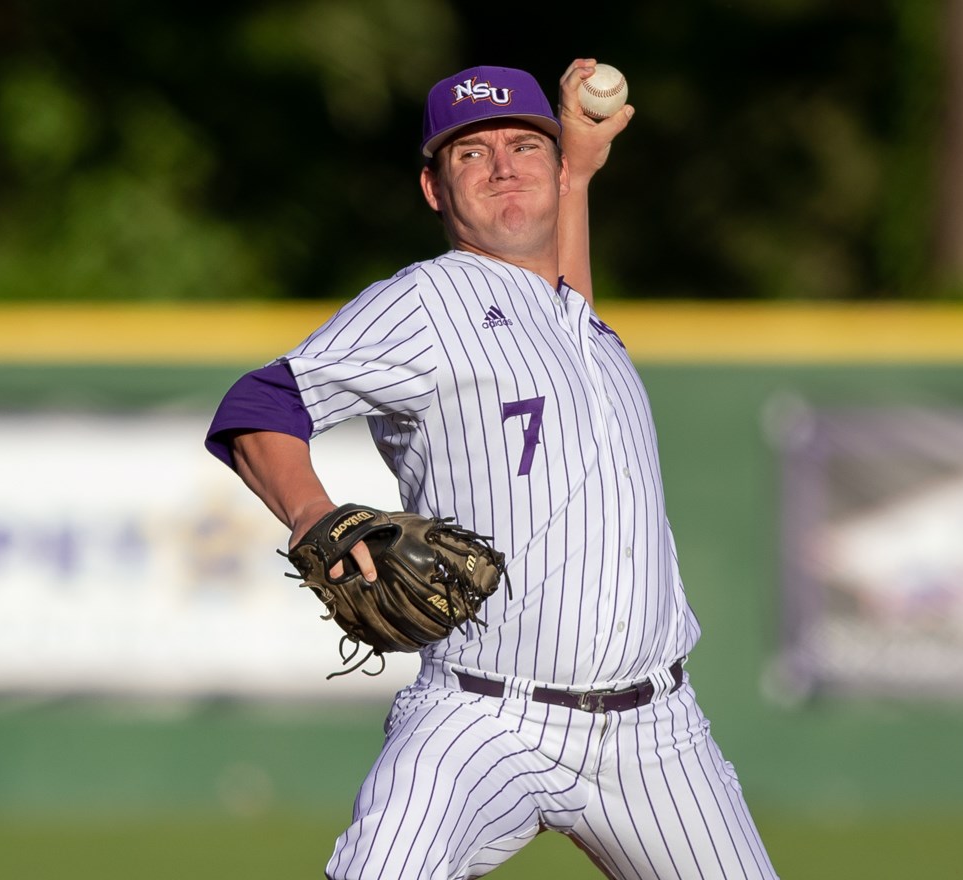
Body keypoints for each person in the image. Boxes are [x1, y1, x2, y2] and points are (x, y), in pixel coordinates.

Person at [206, 60, 779, 880]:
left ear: (552, 167)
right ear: (435, 189)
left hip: (659, 734)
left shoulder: (576, 319)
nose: (504, 164)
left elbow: (556, 297)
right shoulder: (426, 303)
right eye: (471, 153)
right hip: (482, 719)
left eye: (523, 145)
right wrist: (312, 515)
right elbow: (258, 404)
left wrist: (580, 168)